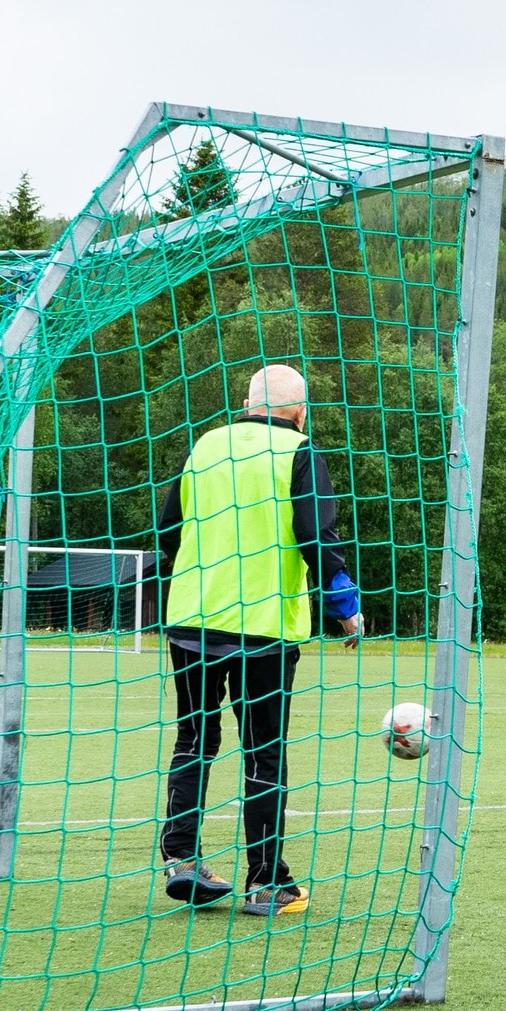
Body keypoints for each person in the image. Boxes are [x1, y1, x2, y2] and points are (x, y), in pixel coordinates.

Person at [156, 364, 363, 915]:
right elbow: (316, 535)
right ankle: (267, 883)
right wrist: (345, 608)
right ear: (300, 412)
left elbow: (168, 529)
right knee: (263, 752)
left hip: (192, 621)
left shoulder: (204, 446)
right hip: (264, 630)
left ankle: (180, 859)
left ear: (247, 405)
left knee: (194, 739)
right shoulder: (300, 453)